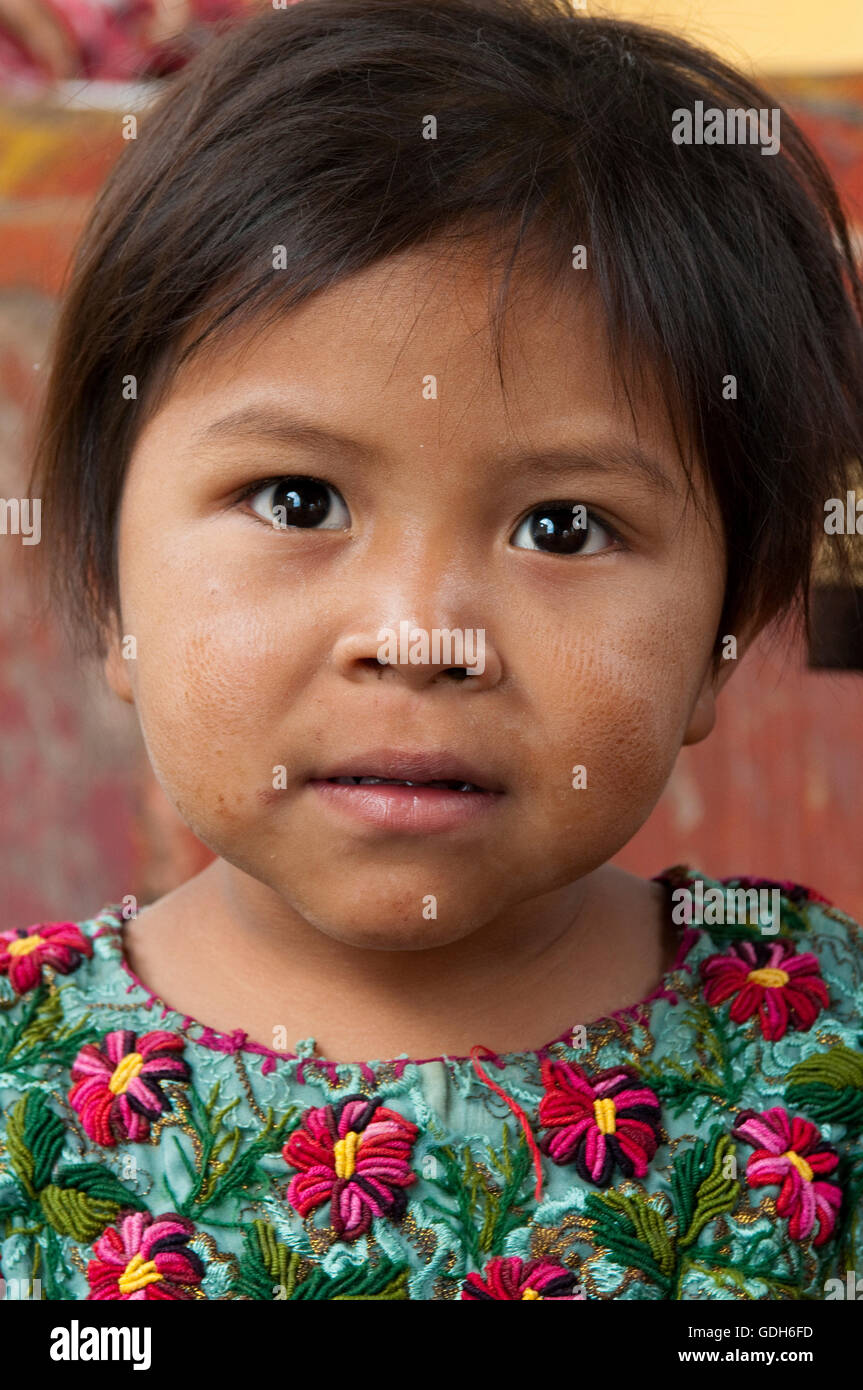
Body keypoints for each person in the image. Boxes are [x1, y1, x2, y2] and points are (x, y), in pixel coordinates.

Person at [2, 0, 861, 1302]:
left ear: (723, 635)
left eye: (562, 526)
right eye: (299, 500)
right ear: (108, 585)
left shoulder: (826, 1062)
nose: (422, 635)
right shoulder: (22, 1083)